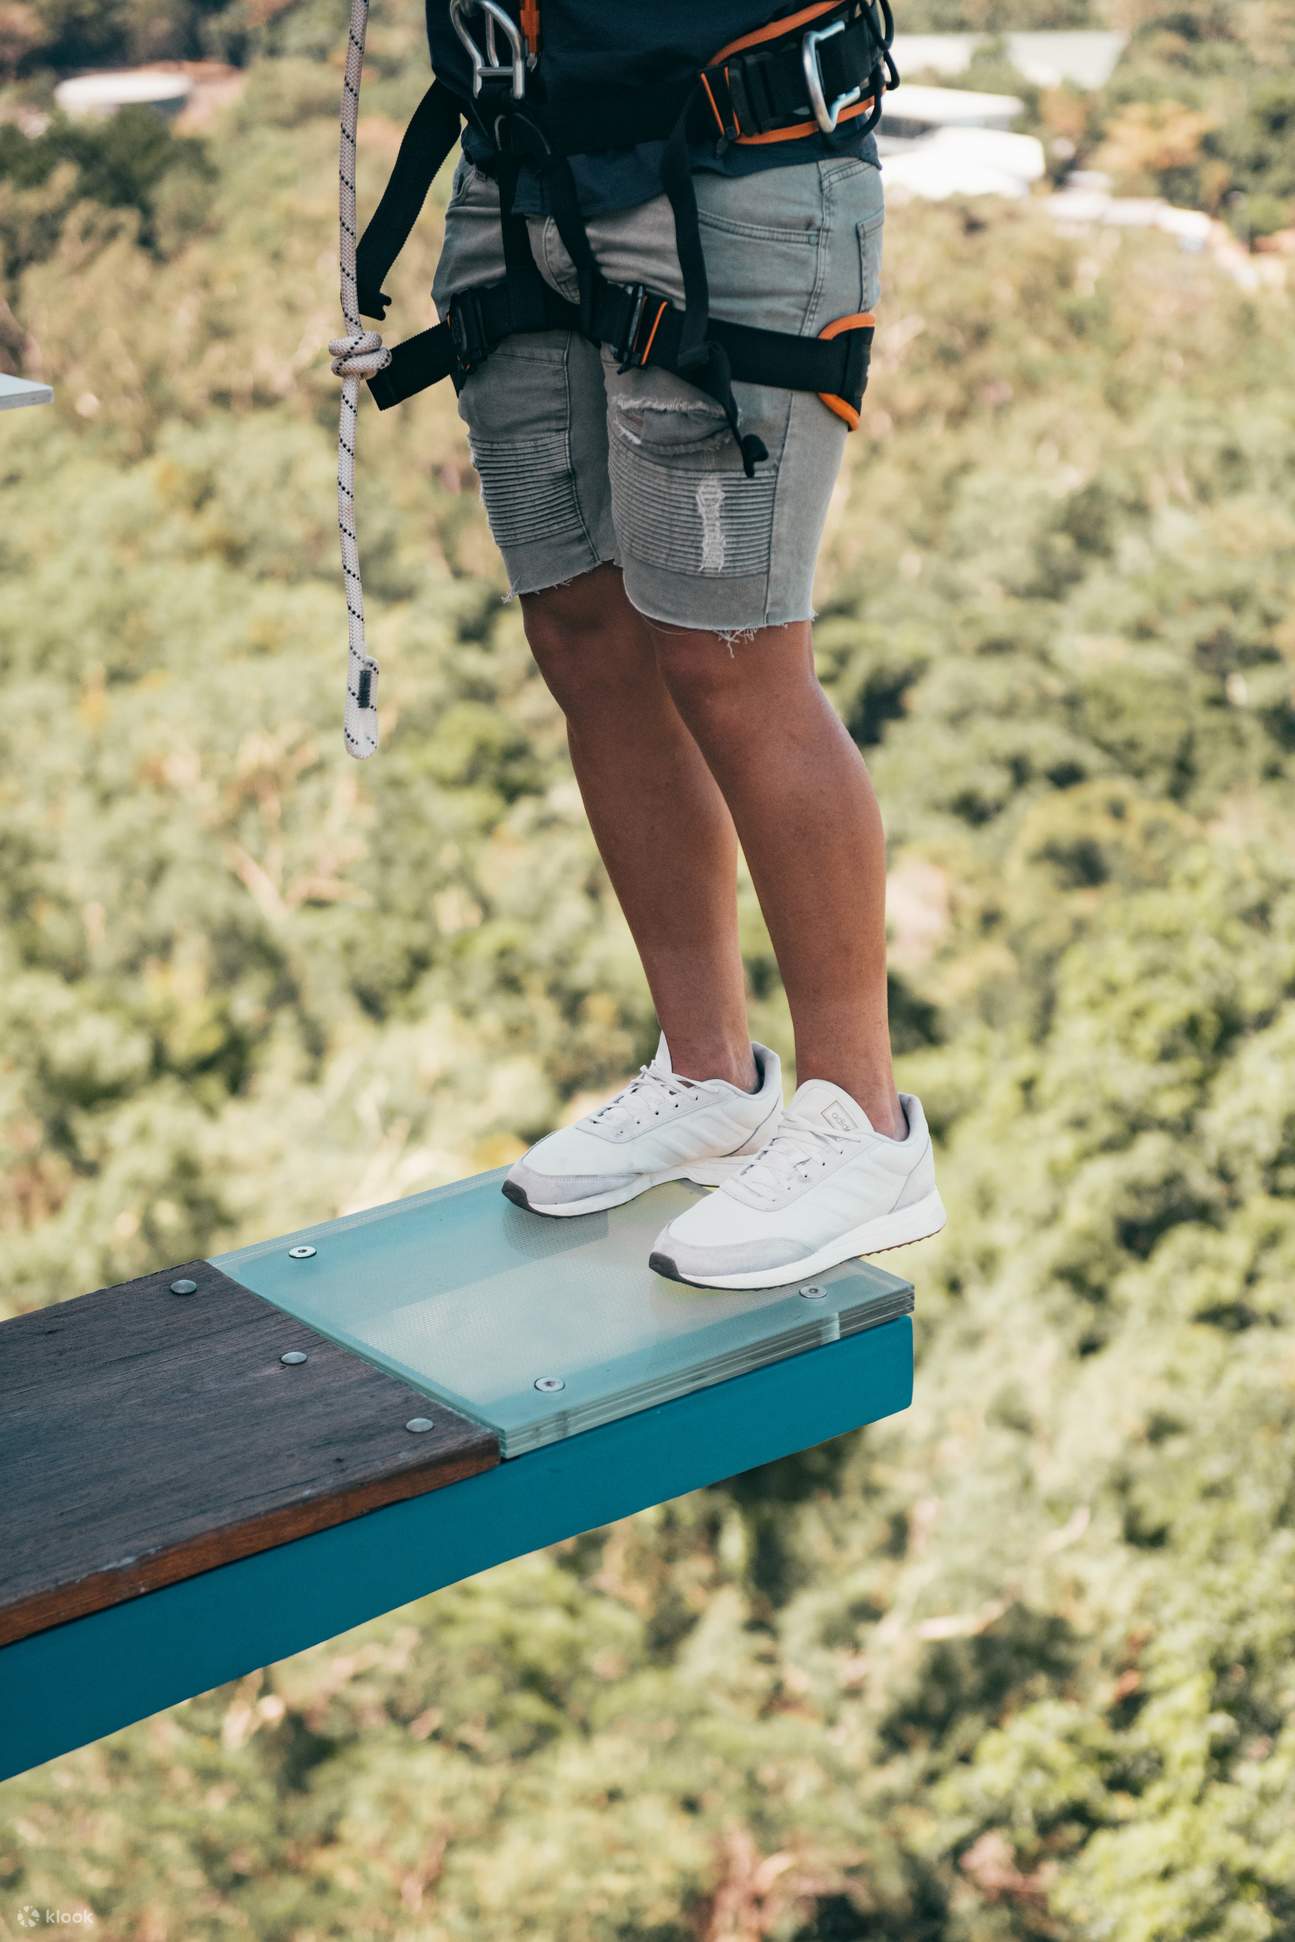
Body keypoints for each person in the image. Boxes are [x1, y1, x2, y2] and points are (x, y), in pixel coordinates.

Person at [427, 0, 945, 1288]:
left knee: (730, 654)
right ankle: (708, 1074)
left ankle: (861, 1122)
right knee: (583, 630)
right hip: (517, 148)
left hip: (735, 139)